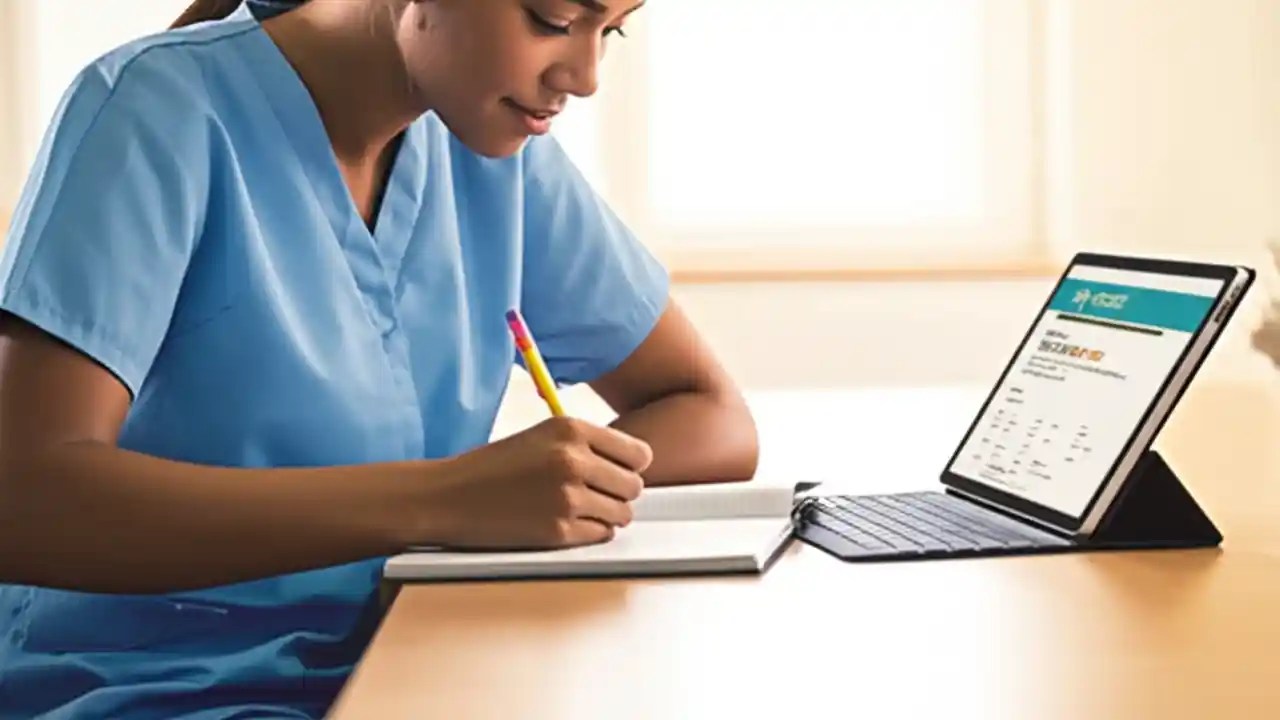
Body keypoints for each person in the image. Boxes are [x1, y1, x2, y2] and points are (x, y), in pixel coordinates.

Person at [0, 0, 759, 716]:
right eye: (551, 19)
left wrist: (549, 490)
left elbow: (709, 414)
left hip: (415, 659)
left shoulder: (492, 148)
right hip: (150, 689)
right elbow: (24, 499)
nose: (585, 77)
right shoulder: (155, 111)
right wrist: (449, 501)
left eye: (611, 29)